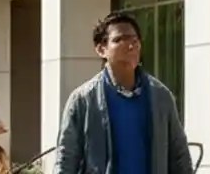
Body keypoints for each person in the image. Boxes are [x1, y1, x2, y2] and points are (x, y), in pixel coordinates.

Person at [54, 12, 192, 174]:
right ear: (101, 49)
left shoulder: (160, 96)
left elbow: (179, 156)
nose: (130, 46)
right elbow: (66, 160)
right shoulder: (83, 100)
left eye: (134, 40)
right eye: (119, 40)